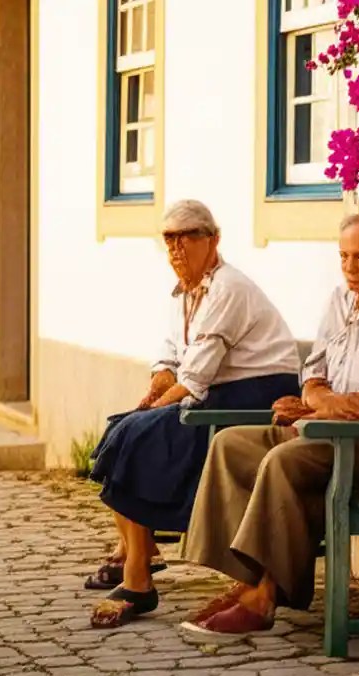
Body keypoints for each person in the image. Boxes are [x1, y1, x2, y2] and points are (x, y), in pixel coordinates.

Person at [180, 211, 359, 634]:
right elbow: (314, 375)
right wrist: (323, 402)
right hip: (327, 431)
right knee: (230, 445)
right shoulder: (340, 301)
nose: (350, 268)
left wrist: (321, 408)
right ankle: (245, 579)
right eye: (344, 258)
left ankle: (264, 599)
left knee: (284, 461)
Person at [88, 199, 302, 628]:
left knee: (135, 434)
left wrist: (150, 408)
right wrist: (153, 390)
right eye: (169, 239)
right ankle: (139, 553)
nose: (177, 248)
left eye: (188, 237)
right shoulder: (181, 294)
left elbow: (195, 379)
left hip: (252, 401)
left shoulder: (228, 289)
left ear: (213, 240)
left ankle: (138, 577)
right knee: (120, 431)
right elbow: (170, 359)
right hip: (213, 395)